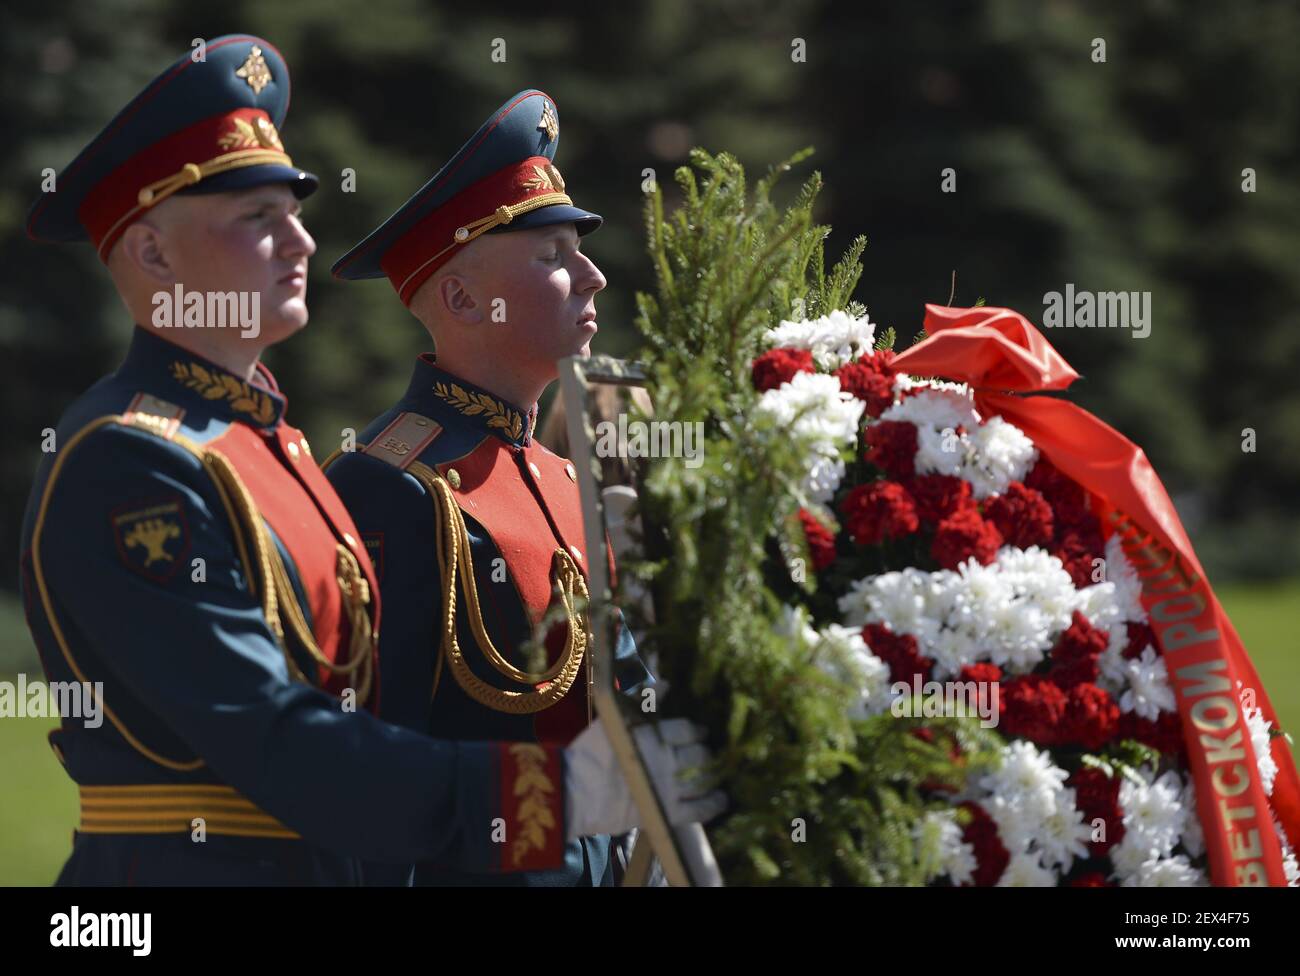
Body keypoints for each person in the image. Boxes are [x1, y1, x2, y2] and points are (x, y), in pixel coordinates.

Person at [19, 38, 719, 886]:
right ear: (155, 257)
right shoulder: (130, 459)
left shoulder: (271, 449)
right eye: (257, 219)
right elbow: (270, 734)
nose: (300, 242)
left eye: (295, 213)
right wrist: (552, 795)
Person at [325, 90, 697, 885]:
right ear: (462, 299)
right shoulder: (389, 484)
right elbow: (364, 783)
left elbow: (632, 723)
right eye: (554, 256)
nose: (593, 276)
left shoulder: (570, 478)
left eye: (579, 251)